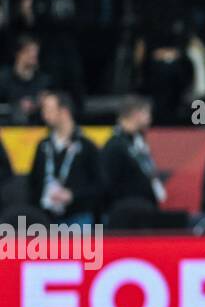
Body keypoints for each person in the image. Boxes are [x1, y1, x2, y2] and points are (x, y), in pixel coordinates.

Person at [27, 91, 102, 225]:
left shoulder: (86, 146)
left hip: (78, 218)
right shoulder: (43, 146)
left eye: (49, 109)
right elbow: (33, 182)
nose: (44, 113)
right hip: (46, 219)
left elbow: (99, 185)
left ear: (64, 112)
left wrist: (73, 195)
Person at [99, 95, 168, 228]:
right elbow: (108, 184)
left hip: (142, 213)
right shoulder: (114, 146)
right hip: (125, 217)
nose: (150, 119)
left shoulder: (137, 143)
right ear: (136, 114)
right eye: (147, 113)